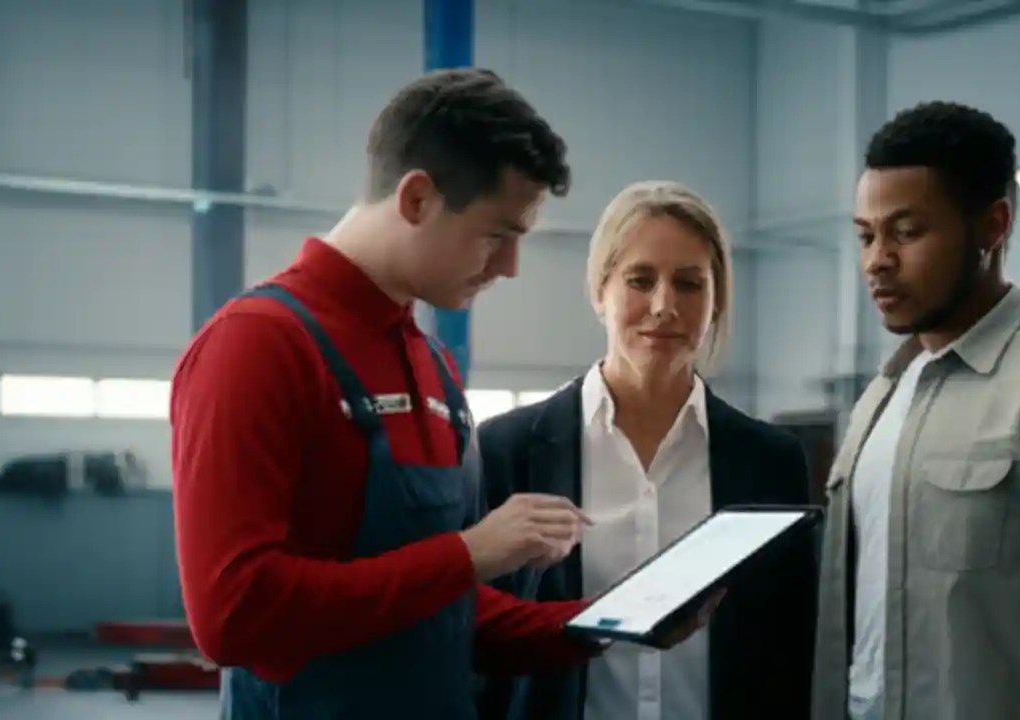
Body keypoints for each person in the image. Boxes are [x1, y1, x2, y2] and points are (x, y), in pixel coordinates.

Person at [170, 69, 710, 720]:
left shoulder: (432, 366)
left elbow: (444, 612)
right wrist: (472, 552)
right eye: (497, 234)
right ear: (418, 199)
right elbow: (234, 615)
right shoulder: (258, 348)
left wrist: (600, 622)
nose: (510, 266)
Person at [810, 101, 1020, 720]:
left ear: (993, 226)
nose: (875, 260)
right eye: (866, 234)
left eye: (906, 232)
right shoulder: (878, 399)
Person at [475, 181, 818, 720]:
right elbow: (479, 640)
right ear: (599, 291)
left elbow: (785, 649)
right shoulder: (506, 450)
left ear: (716, 300)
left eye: (689, 284)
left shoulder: (769, 459)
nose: (664, 306)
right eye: (640, 280)